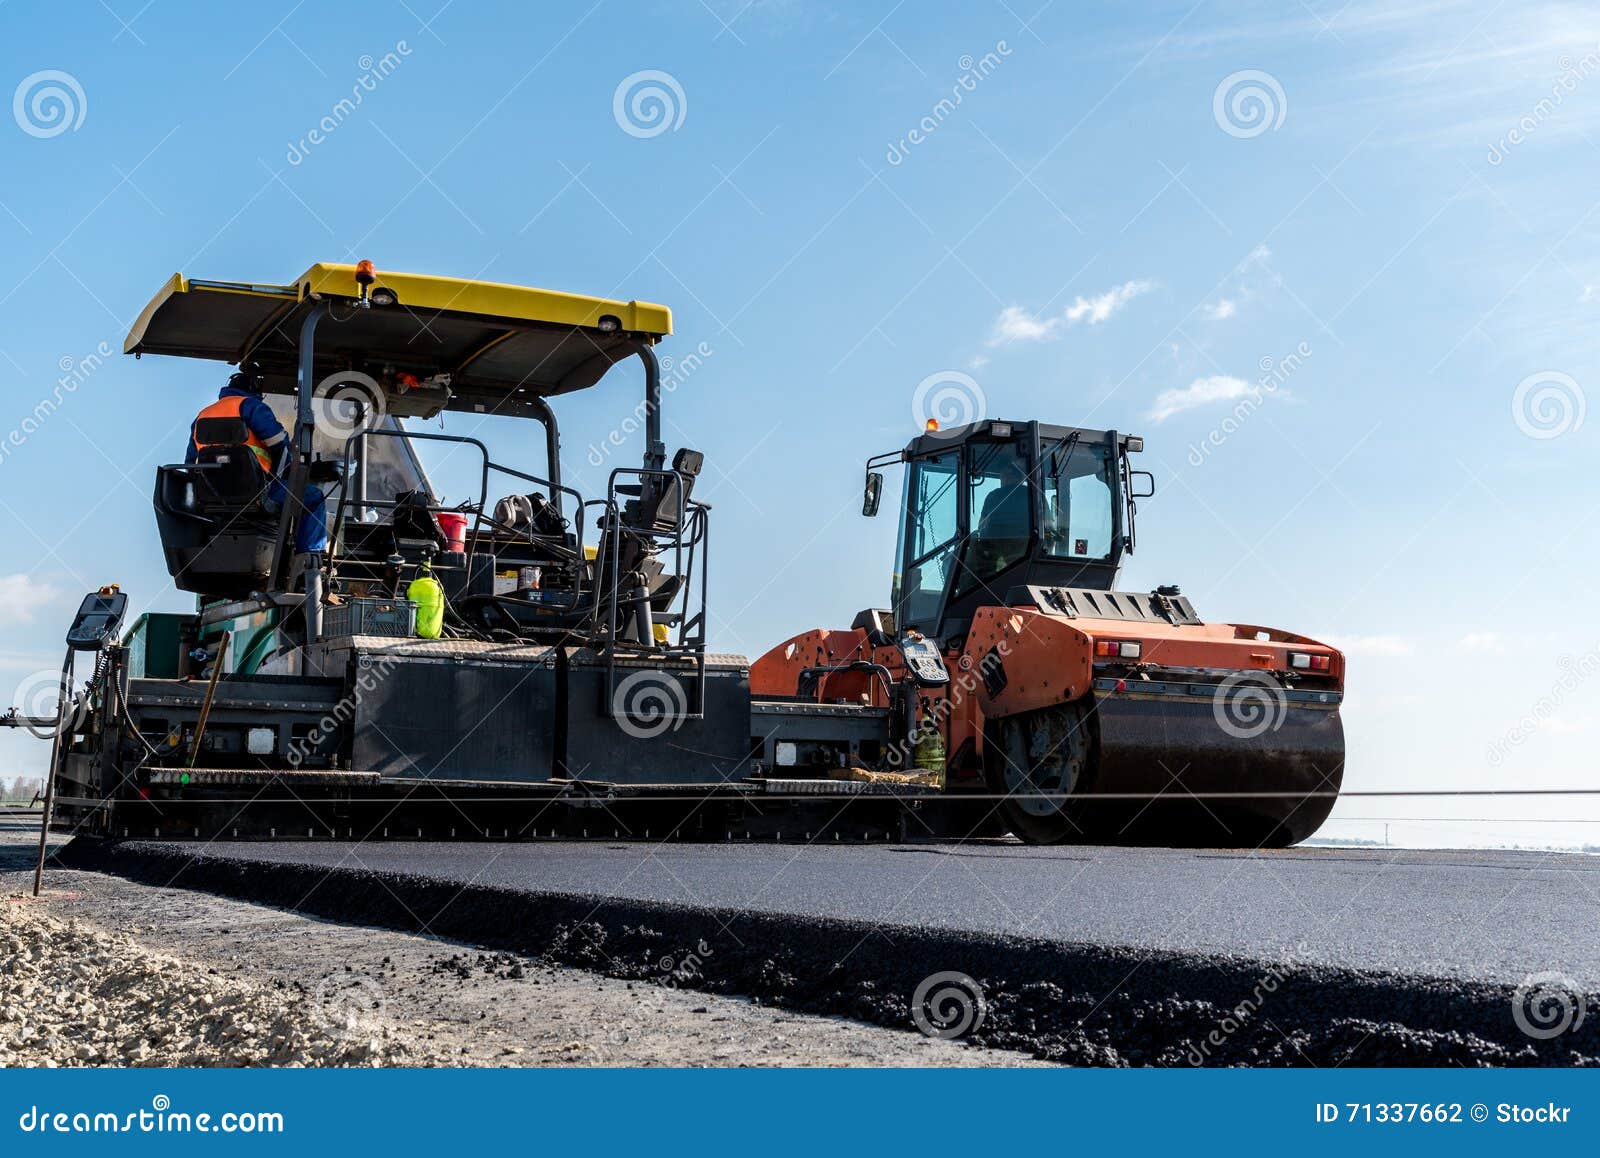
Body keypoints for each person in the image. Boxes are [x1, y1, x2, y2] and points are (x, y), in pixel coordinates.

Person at [186, 365, 328, 555]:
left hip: (212, 495)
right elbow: (279, 442)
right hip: (256, 491)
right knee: (313, 498)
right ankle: (309, 558)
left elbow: (190, 463)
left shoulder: (202, 416)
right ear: (254, 389)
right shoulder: (251, 406)